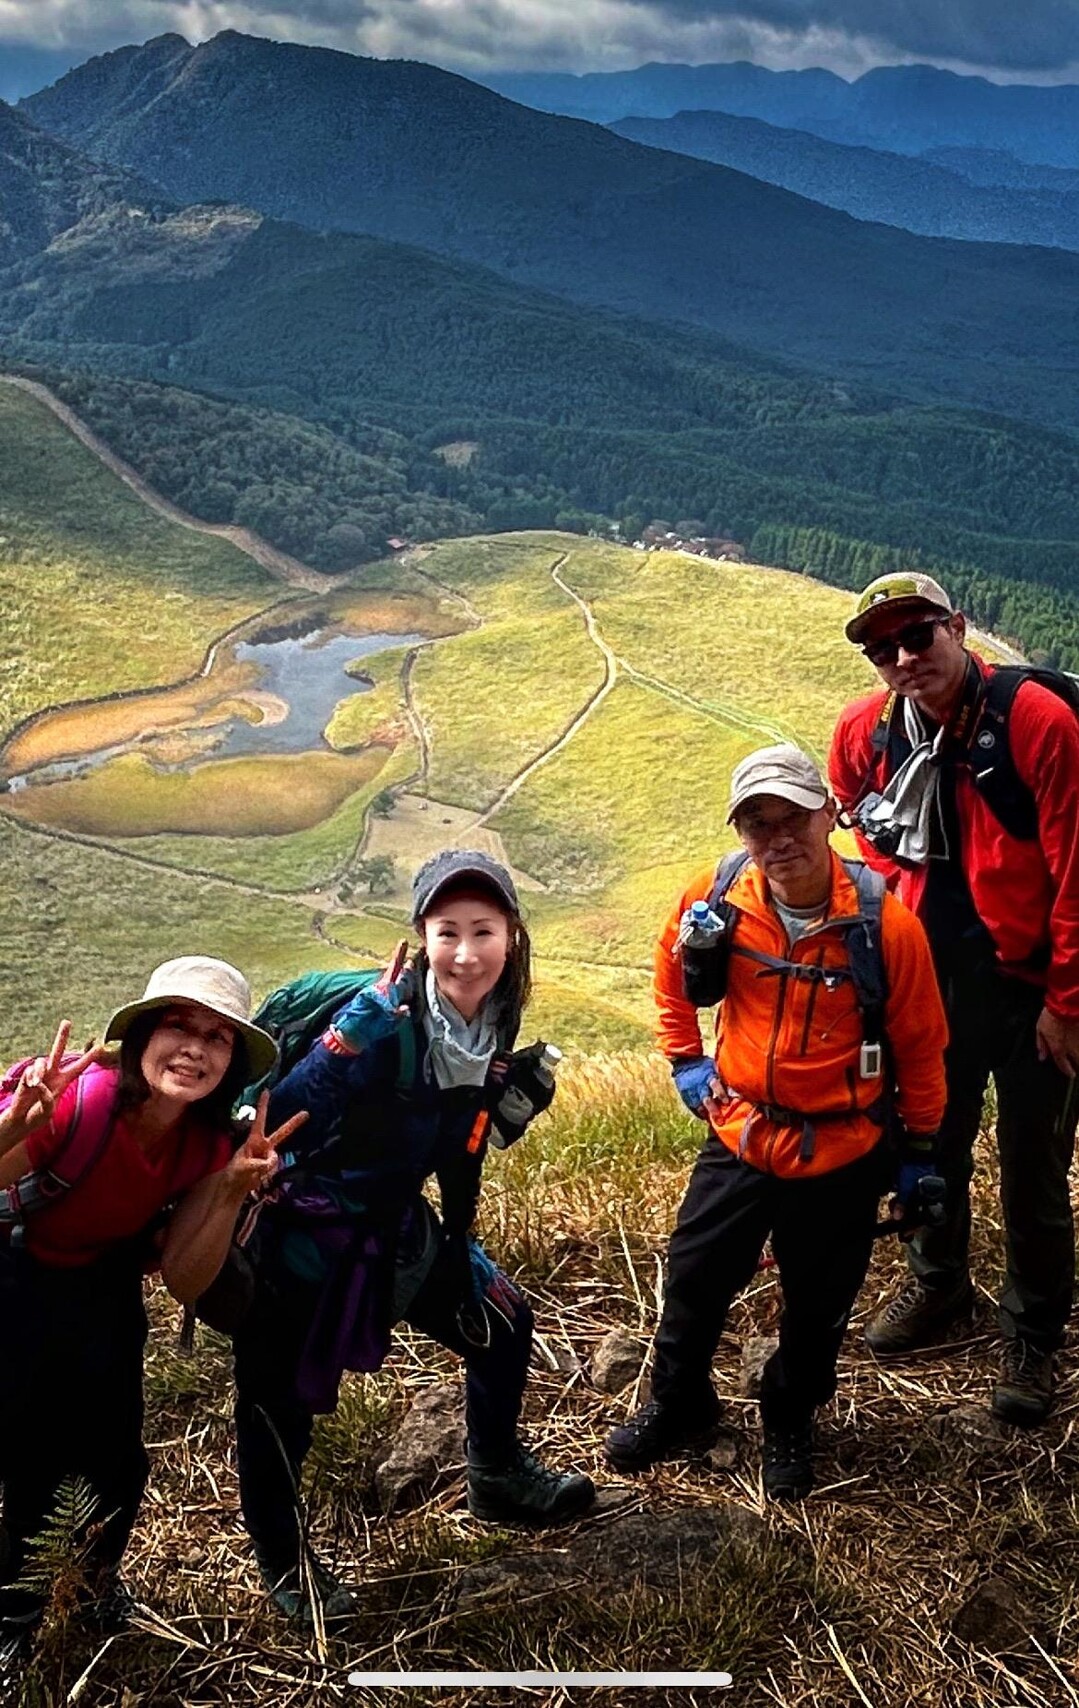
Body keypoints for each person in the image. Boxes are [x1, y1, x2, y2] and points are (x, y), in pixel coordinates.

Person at [232, 849, 594, 1621]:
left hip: (398, 1225)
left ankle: (494, 1476)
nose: (466, 954)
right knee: (275, 1403)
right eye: (447, 933)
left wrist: (464, 1225)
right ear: (421, 937)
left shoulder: (494, 1018)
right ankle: (285, 1564)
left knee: (503, 1321)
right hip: (301, 1232)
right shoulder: (379, 1012)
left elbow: (454, 1139)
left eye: (483, 932)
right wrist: (343, 1047)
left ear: (512, 937)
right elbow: (282, 1122)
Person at [604, 745, 947, 1499]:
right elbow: (669, 971)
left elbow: (922, 1047)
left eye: (792, 817)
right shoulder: (719, 895)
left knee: (819, 1299)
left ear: (828, 814)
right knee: (693, 1276)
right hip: (739, 1130)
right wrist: (683, 1059)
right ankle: (679, 1404)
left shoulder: (886, 928)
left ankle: (789, 1417)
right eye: (757, 824)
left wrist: (918, 1150)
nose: (777, 838)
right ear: (740, 833)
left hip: (842, 1147)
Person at [830, 571, 1079, 1424]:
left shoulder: (1034, 722)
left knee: (1031, 1168)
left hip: (1033, 987)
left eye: (918, 636)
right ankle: (938, 1286)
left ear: (958, 628)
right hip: (927, 990)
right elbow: (862, 836)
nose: (902, 658)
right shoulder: (864, 734)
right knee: (927, 1150)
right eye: (881, 648)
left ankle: (1033, 1333)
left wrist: (1067, 1004)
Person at [0, 957, 297, 1649]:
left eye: (217, 1036)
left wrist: (229, 1188)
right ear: (140, 1038)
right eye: (177, 1025)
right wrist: (17, 1126)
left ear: (231, 1060)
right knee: (32, 1457)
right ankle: (13, 1624)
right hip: (14, 1271)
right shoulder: (80, 1100)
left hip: (98, 1281)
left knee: (117, 1460)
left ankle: (92, 1586)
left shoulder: (207, 1143)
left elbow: (186, 1279)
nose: (195, 1046)